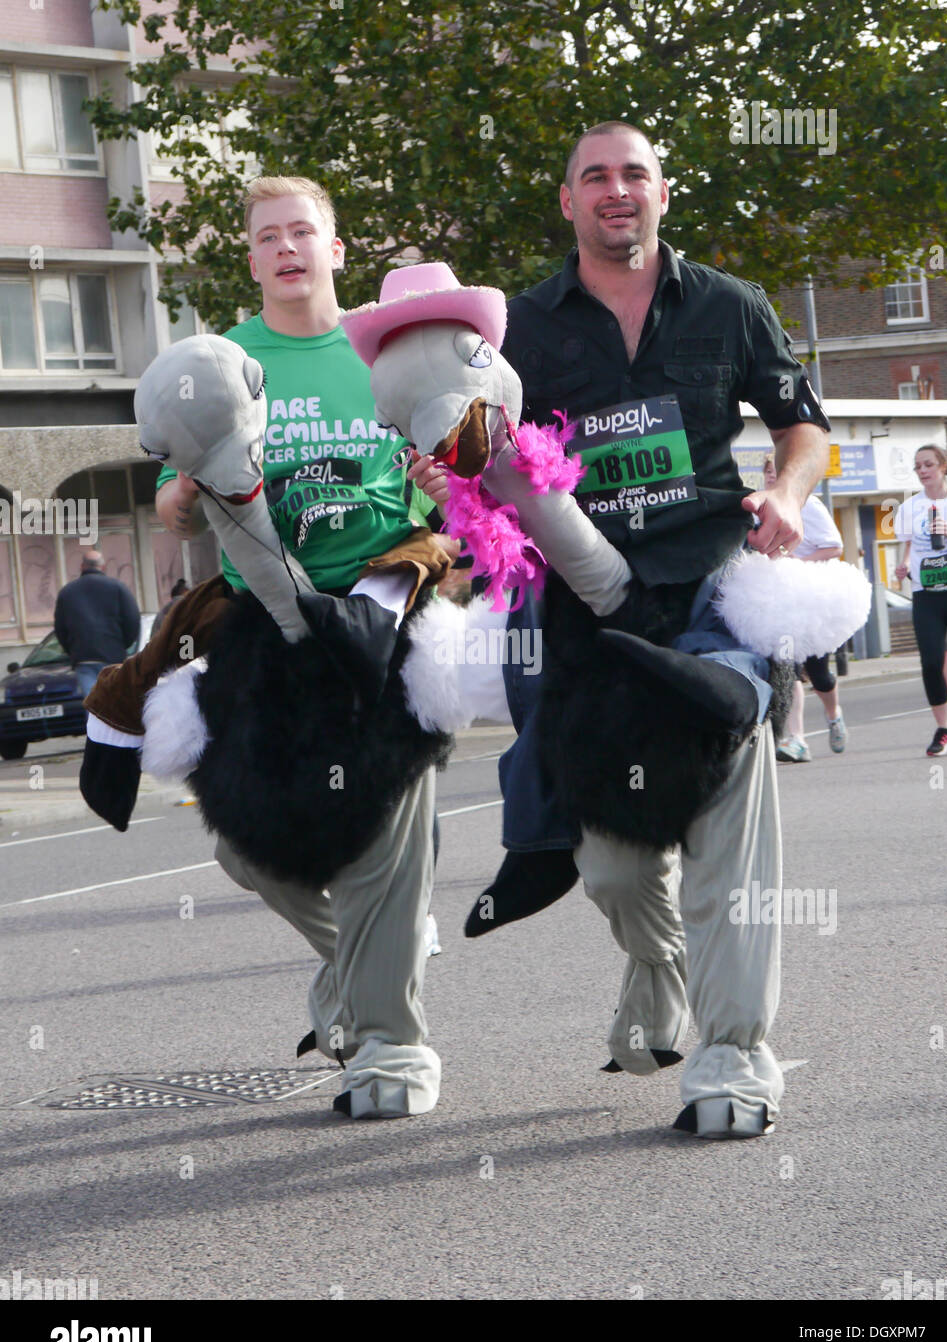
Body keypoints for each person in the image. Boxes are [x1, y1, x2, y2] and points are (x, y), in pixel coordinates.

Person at [481, 120, 831, 1139]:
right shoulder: (520, 328)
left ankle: (733, 1055)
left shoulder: (730, 305)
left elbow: (800, 425)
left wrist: (788, 489)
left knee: (731, 839)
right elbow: (480, 452)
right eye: (594, 175)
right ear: (568, 202)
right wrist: (450, 478)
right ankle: (660, 963)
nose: (616, 190)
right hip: (588, 617)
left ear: (663, 193)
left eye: (634, 173)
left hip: (715, 600)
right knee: (616, 866)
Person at [149, 175, 456, 1115]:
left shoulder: (389, 350)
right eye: (267, 237)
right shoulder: (221, 355)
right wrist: (185, 493)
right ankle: (365, 958)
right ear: (251, 258)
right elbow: (172, 500)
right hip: (265, 633)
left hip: (383, 606)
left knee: (385, 841)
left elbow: (459, 476)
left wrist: (445, 477)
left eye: (303, 232)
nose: (286, 248)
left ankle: (393, 1050)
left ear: (336, 247)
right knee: (247, 843)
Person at [763, 454, 847, 762]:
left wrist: (798, 562)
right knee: (788, 668)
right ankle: (796, 739)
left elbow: (835, 547)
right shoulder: (763, 509)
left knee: (819, 673)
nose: (771, 477)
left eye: (777, 471)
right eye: (768, 472)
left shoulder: (809, 506)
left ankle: (833, 713)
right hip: (781, 602)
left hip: (810, 599)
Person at [894, 444, 947, 755]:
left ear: (943, 466)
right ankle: (944, 729)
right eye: (918, 466)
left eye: (928, 464)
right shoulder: (910, 507)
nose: (922, 471)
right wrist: (902, 566)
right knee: (931, 661)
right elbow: (907, 546)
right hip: (926, 593)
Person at [53, 550, 141, 696]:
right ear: (103, 567)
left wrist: (72, 649)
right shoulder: (119, 588)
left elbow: (60, 628)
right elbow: (132, 620)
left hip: (83, 657)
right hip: (113, 656)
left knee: (93, 703)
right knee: (114, 701)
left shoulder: (67, 592)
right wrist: (122, 645)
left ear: (82, 566)